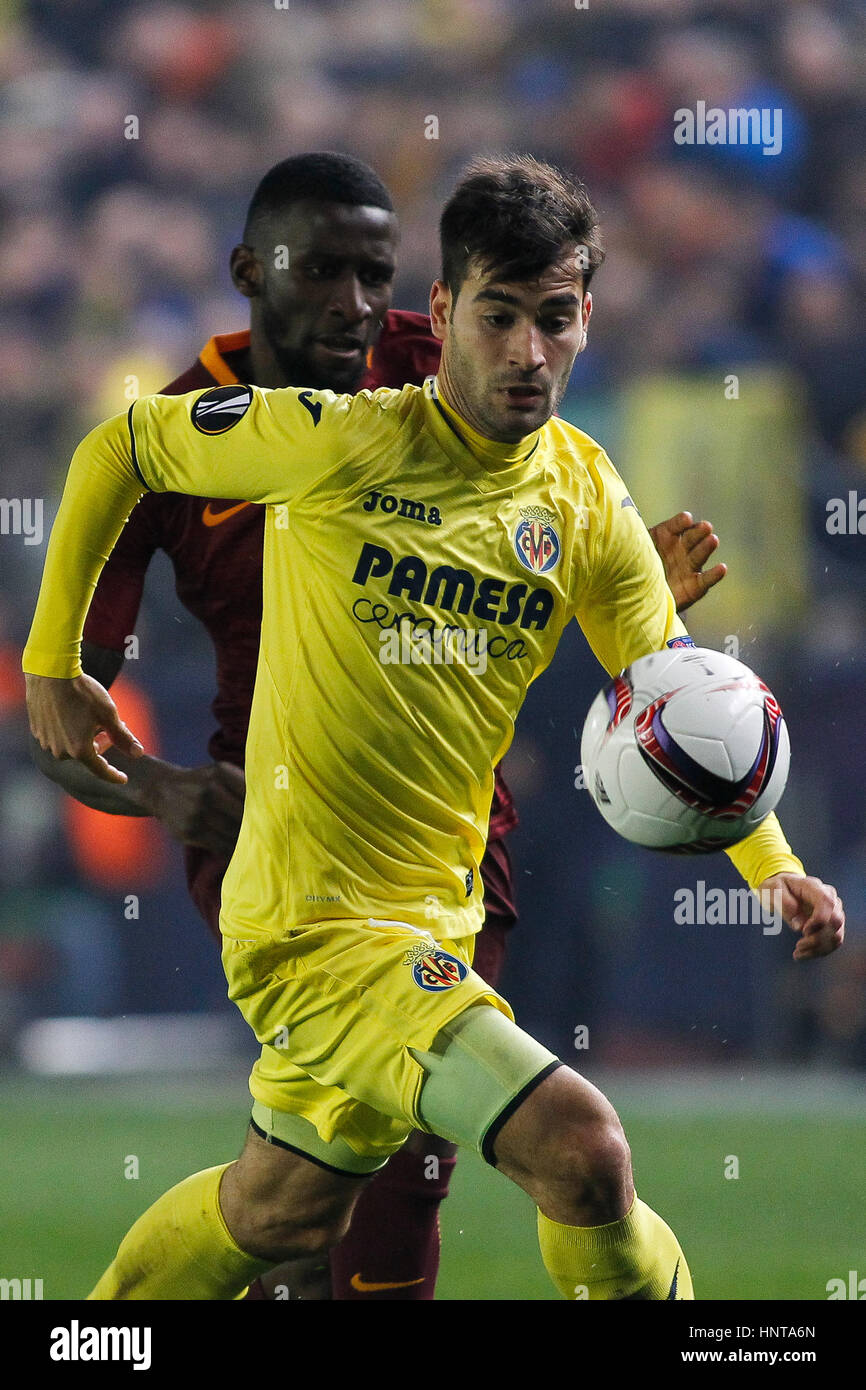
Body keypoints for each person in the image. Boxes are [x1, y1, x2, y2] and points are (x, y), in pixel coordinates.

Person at [25, 155, 843, 1302]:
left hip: (438, 909)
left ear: (584, 320)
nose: (526, 352)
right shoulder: (340, 442)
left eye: (552, 320)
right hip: (311, 924)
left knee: (278, 1207)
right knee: (584, 1150)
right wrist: (50, 659)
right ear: (445, 312)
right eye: (497, 318)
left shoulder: (581, 495)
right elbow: (123, 446)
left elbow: (673, 705)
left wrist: (773, 866)